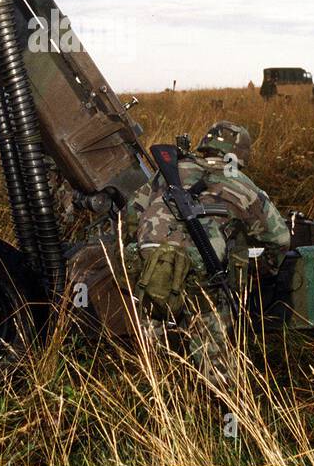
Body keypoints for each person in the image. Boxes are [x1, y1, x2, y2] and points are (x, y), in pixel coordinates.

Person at [123, 121, 290, 387]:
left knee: (152, 348)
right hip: (203, 280)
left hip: (153, 270)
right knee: (215, 355)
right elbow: (280, 238)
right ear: (239, 155)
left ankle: (154, 399)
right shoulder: (240, 183)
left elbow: (131, 215)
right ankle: (229, 416)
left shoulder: (166, 173)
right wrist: (261, 273)